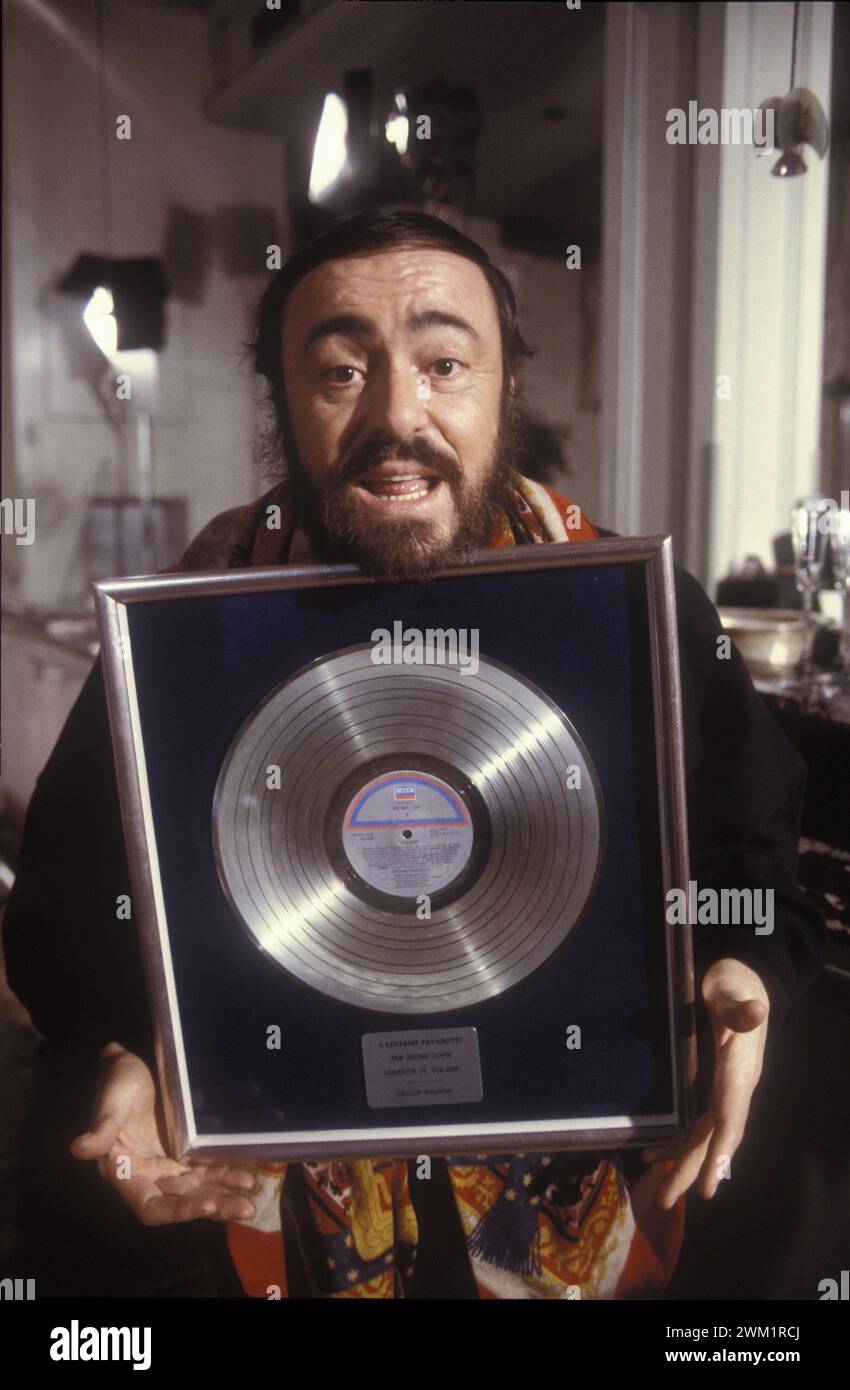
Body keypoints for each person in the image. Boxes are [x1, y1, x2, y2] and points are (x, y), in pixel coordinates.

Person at [3, 206, 825, 1299]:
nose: (399, 414)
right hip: (276, 1217)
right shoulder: (180, 633)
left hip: (574, 1203)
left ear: (503, 390)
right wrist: (128, 1057)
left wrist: (741, 967)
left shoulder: (639, 613)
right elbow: (66, 916)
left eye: (445, 363)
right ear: (283, 403)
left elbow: (750, 861)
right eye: (342, 371)